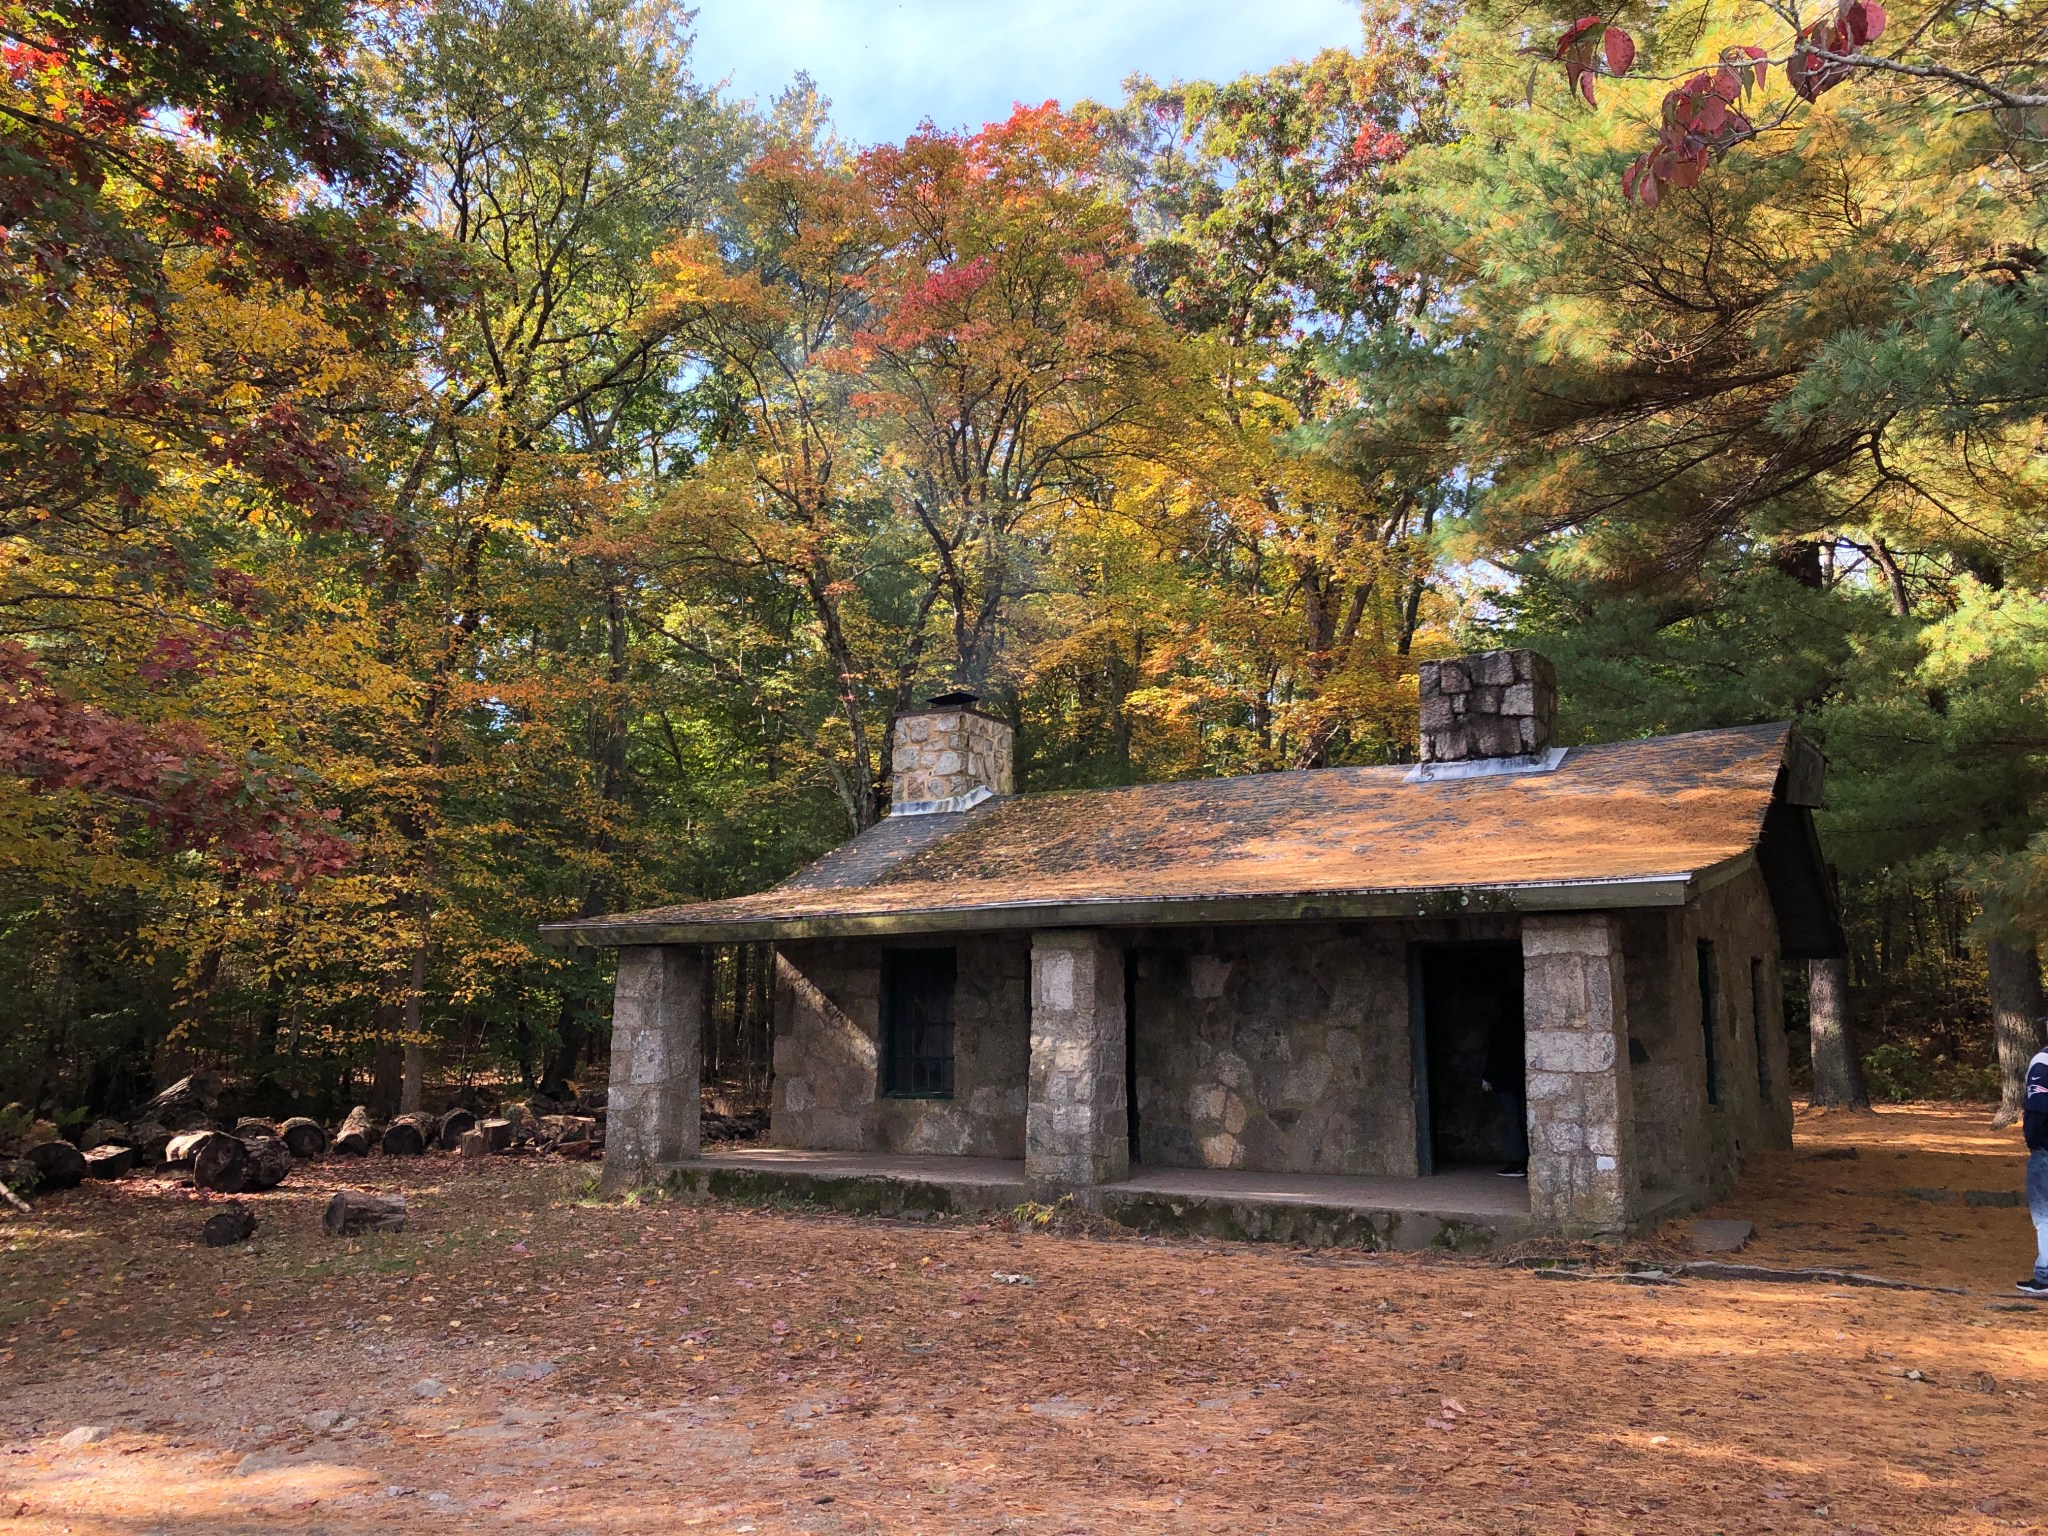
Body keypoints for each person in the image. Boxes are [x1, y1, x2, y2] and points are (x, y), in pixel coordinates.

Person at [1480, 1011, 1528, 1179]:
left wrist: (1487, 1077)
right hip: (1521, 1081)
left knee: (1513, 1121)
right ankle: (1524, 1159)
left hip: (1507, 1083)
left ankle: (1519, 1161)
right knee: (1522, 1119)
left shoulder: (1500, 1029)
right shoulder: (1520, 1026)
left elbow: (1494, 1055)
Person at [2021, 1041, 2048, 1298]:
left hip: (2046, 1150)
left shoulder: (2042, 1062)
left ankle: (2045, 1275)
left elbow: (2039, 1107)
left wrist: (2035, 1141)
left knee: (2045, 1217)